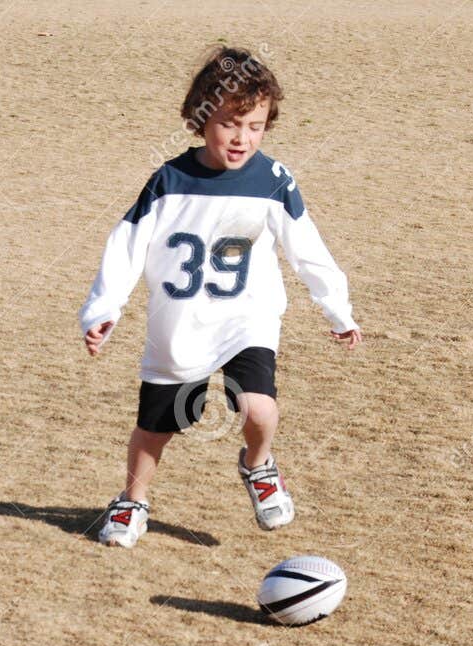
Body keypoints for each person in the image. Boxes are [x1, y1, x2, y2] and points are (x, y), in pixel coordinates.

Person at [80, 46, 362, 548]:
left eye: (255, 125)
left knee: (258, 409)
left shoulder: (273, 181)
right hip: (181, 325)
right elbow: (126, 245)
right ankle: (132, 501)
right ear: (201, 117)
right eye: (231, 123)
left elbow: (307, 248)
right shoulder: (169, 180)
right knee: (155, 429)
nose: (242, 137)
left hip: (245, 320)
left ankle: (258, 466)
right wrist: (104, 309)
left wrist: (336, 308)